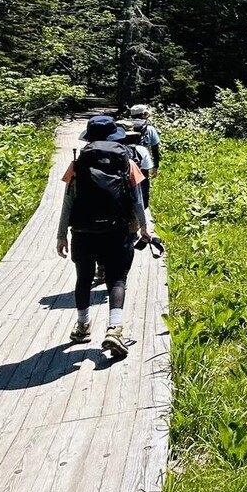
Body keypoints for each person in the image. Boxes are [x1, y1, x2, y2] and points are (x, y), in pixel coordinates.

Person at [55, 114, 154, 359]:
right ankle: (114, 329)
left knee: (83, 278)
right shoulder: (127, 161)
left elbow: (68, 201)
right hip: (118, 230)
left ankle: (82, 326)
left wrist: (61, 235)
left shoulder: (78, 164)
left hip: (82, 232)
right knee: (117, 280)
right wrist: (143, 227)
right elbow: (138, 199)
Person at [119, 120, 156, 210]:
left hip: (114, 195)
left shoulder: (109, 151)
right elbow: (145, 176)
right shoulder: (141, 150)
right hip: (134, 198)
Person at [128, 103, 162, 171]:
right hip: (143, 162)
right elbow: (155, 150)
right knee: (144, 180)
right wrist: (156, 166)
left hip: (126, 160)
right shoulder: (150, 129)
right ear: (145, 114)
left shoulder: (125, 127)